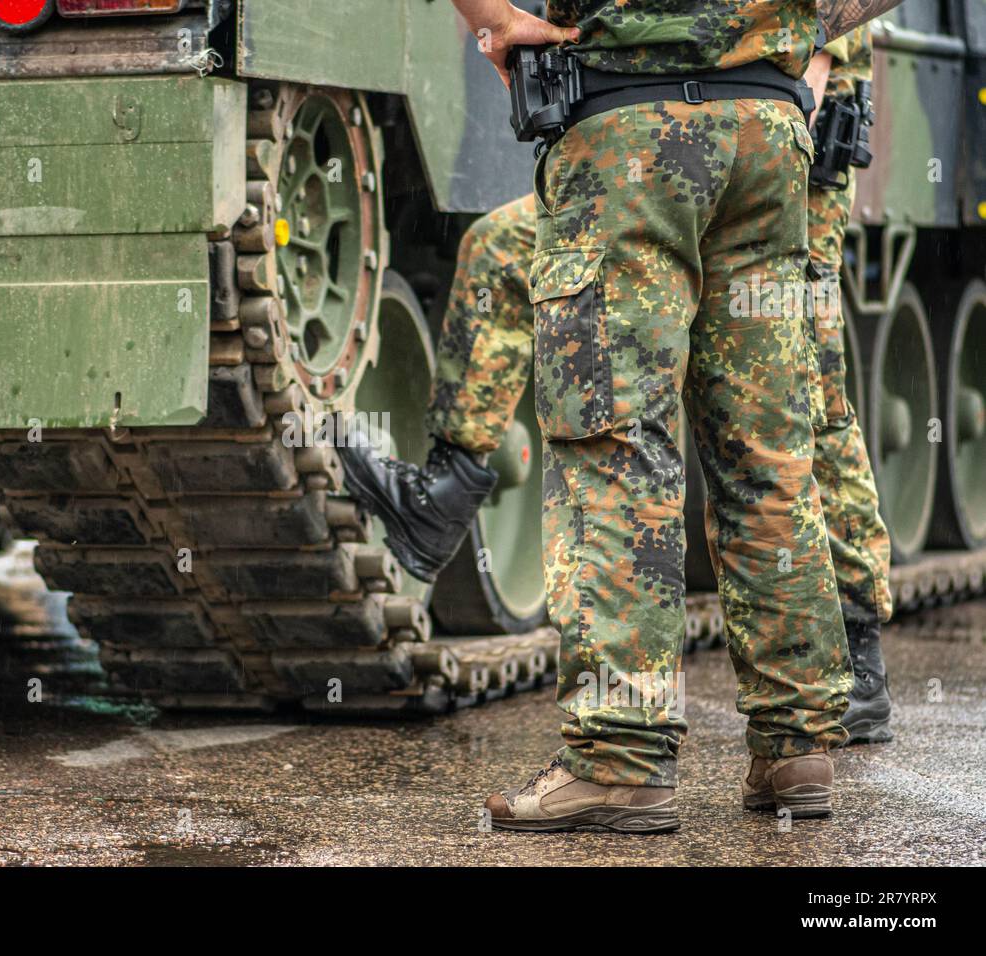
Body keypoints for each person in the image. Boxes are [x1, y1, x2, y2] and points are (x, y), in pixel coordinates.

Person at [345, 0, 858, 832]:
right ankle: (796, 746)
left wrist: (496, 21)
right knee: (769, 451)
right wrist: (785, 39)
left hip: (629, 130)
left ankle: (621, 759)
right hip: (767, 131)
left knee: (616, 448)